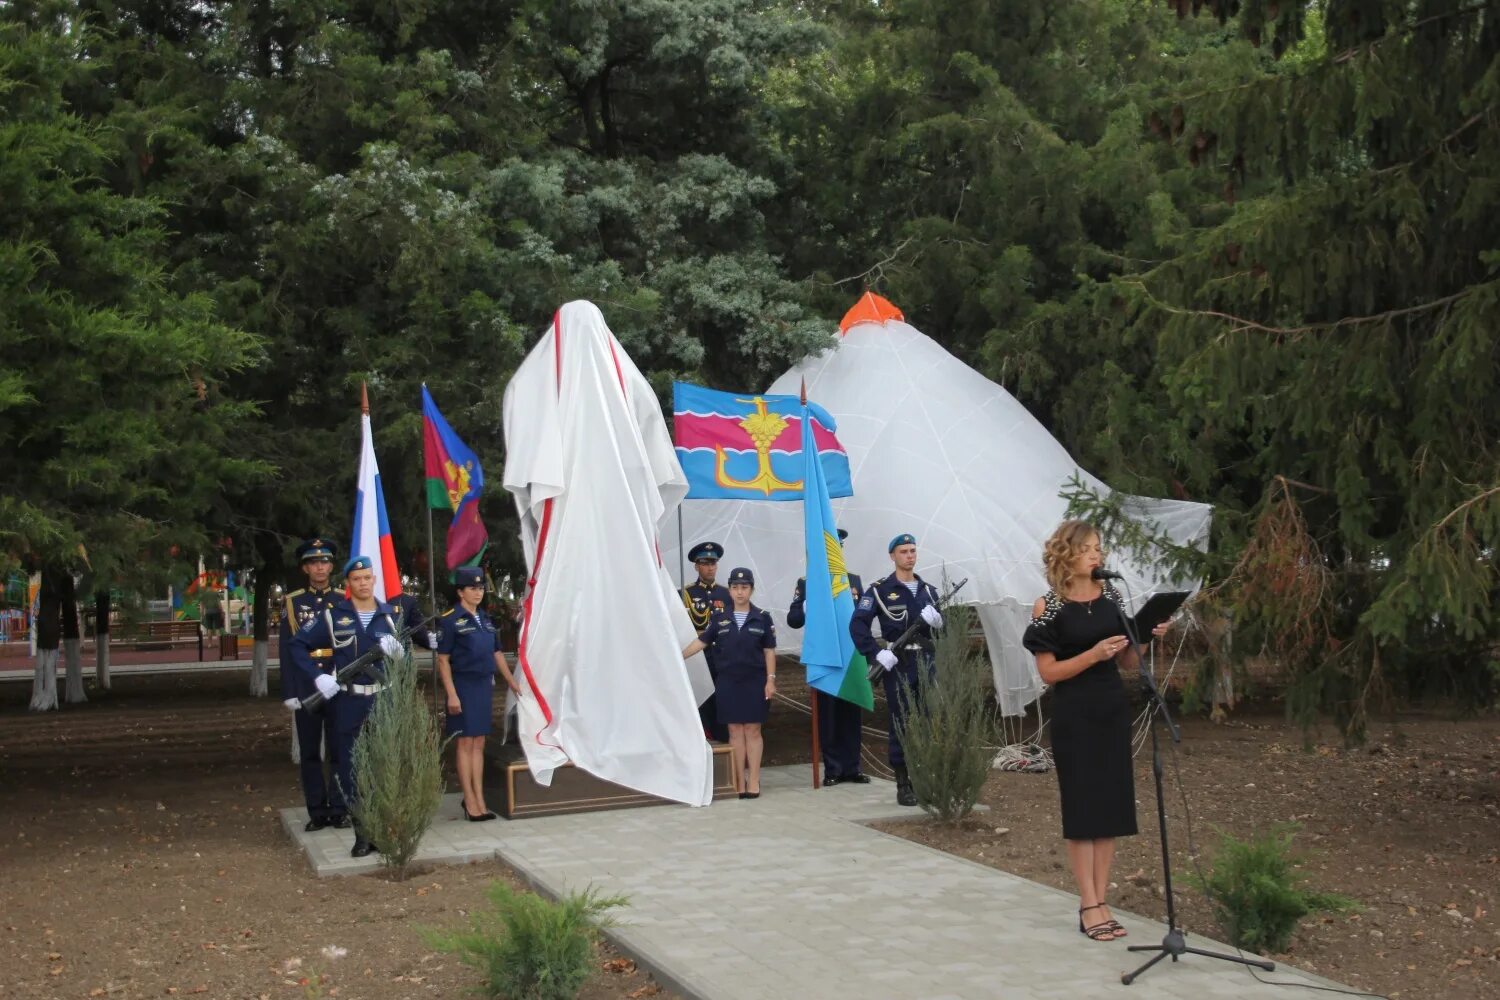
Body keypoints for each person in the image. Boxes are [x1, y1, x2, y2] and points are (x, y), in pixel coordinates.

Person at [1022, 520, 1169, 942]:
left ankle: (1104, 900)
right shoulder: (1048, 606)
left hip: (1111, 710)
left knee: (1109, 811)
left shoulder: (1111, 596)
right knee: (1083, 811)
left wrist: (1148, 637)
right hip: (1075, 714)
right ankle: (1088, 905)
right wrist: (1090, 655)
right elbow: (1049, 672)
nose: (1097, 555)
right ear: (1067, 554)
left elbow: (1126, 663)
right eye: (1088, 548)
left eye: (1099, 548)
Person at [288, 555, 404, 858]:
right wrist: (317, 677)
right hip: (348, 700)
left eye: (367, 578)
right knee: (351, 767)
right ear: (348, 584)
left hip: (382, 698)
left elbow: (402, 662)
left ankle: (382, 831)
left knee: (382, 764)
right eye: (356, 579)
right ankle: (362, 833)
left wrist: (400, 653)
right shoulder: (332, 615)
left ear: (374, 580)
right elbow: (297, 645)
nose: (363, 583)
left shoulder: (389, 615)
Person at [849, 533, 944, 807]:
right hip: (897, 665)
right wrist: (875, 653)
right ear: (892, 556)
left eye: (913, 550)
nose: (909, 555)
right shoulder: (879, 590)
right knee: (901, 723)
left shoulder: (929, 591)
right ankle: (903, 784)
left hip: (926, 663)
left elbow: (945, 631)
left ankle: (925, 779)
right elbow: (857, 625)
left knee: (927, 721)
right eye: (903, 551)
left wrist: (939, 622)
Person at [681, 567, 777, 798]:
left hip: (755, 681)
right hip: (728, 682)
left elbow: (769, 651)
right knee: (734, 731)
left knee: (753, 730)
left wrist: (771, 680)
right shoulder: (720, 618)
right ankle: (738, 781)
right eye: (735, 587)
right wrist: (677, 656)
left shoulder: (762, 617)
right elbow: (702, 642)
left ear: (751, 590)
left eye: (744, 587)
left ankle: (753, 780)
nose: (739, 592)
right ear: (730, 590)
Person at [437, 566, 521, 822]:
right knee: (465, 742)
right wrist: (452, 695)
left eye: (481, 587)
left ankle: (479, 798)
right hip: (463, 686)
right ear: (461, 592)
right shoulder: (451, 619)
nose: (478, 592)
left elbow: (496, 652)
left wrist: (511, 681)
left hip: (484, 686)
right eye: (473, 588)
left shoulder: (485, 619)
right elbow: (443, 660)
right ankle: (470, 800)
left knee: (479, 743)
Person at [787, 527, 869, 786]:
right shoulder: (807, 582)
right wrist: (806, 604)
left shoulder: (853, 581)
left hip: (850, 656)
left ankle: (852, 767)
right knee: (829, 716)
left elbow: (863, 619)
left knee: (851, 714)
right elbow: (794, 620)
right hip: (825, 656)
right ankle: (833, 768)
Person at [282, 538, 345, 831]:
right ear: (306, 568)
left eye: (325, 562)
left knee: (339, 748)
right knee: (310, 751)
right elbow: (287, 649)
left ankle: (339, 807)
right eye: (314, 563)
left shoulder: (345, 599)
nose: (320, 567)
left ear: (331, 566)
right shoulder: (294, 602)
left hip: (337, 682)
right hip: (307, 684)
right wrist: (291, 691)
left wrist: (340, 676)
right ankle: (317, 812)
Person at [681, 541, 730, 742]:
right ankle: (704, 737)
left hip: (722, 656)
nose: (710, 568)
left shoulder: (726, 593)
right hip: (699, 657)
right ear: (697, 566)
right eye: (705, 563)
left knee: (723, 699)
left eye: (713, 563)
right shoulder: (686, 594)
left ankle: (722, 737)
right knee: (701, 699)